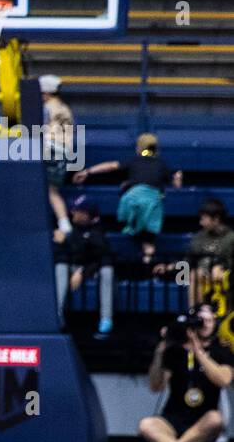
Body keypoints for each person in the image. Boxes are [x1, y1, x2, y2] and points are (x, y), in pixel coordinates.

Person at [138, 303, 232, 442]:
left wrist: (199, 352)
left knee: (216, 419)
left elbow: (223, 379)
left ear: (215, 322)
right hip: (174, 417)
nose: (204, 325)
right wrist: (160, 353)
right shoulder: (175, 352)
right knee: (146, 425)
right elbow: (156, 386)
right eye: (200, 321)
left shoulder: (221, 350)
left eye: (208, 320)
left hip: (202, 421)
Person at [72, 132, 181, 266]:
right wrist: (177, 179)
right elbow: (176, 185)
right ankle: (147, 259)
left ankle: (132, 228)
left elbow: (111, 166)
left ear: (139, 148)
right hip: (151, 203)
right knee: (148, 240)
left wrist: (87, 171)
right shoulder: (162, 164)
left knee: (136, 219)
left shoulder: (134, 160)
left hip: (133, 200)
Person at [54, 195, 114, 338]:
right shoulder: (70, 228)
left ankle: (106, 320)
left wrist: (82, 273)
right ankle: (57, 316)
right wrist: (60, 242)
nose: (73, 212)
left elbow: (102, 257)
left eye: (78, 210)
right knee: (61, 266)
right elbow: (62, 255)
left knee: (107, 270)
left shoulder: (98, 230)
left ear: (87, 214)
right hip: (71, 268)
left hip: (91, 270)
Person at [40, 74, 76, 242]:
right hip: (64, 152)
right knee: (52, 191)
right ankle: (64, 223)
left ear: (46, 93)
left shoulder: (46, 108)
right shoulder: (65, 108)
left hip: (49, 149)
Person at [185, 198, 234, 309]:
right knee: (194, 273)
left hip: (223, 277)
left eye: (204, 219)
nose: (200, 223)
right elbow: (189, 259)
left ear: (216, 219)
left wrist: (222, 266)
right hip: (199, 275)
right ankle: (195, 311)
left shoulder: (231, 238)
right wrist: (169, 267)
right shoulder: (199, 237)